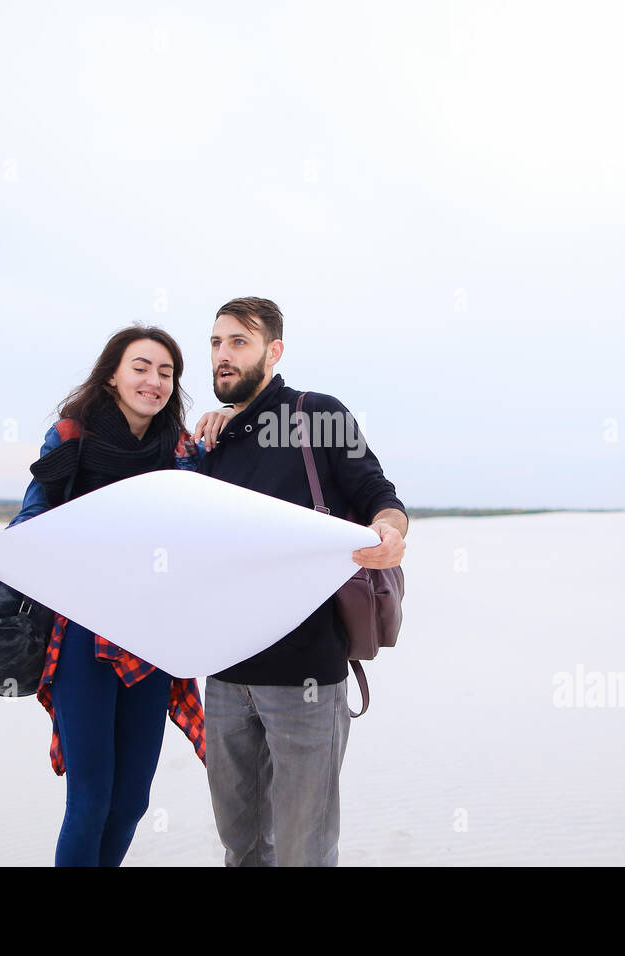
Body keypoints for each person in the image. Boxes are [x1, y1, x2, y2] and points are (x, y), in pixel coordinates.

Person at [0, 324, 232, 867]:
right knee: (90, 800)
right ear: (112, 374)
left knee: (132, 800)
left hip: (152, 637)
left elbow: (216, 513)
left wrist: (231, 419)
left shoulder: (181, 450)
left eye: (165, 372)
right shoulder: (71, 438)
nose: (153, 381)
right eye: (141, 367)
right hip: (82, 631)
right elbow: (36, 511)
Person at [199, 297, 407, 866]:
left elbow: (381, 498)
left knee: (302, 850)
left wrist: (389, 534)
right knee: (239, 846)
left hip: (305, 675)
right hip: (223, 675)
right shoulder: (210, 443)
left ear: (274, 350)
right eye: (216, 342)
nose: (223, 354)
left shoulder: (317, 413)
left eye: (239, 341)